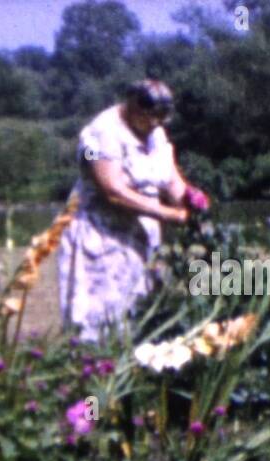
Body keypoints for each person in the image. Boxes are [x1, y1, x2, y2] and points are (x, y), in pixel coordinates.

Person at [58, 79, 209, 341]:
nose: (154, 124)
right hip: (101, 239)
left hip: (140, 240)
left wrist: (189, 199)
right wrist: (167, 214)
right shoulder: (96, 137)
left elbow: (170, 177)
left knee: (140, 317)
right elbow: (112, 191)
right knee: (100, 325)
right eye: (149, 117)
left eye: (160, 118)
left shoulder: (156, 133)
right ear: (131, 107)